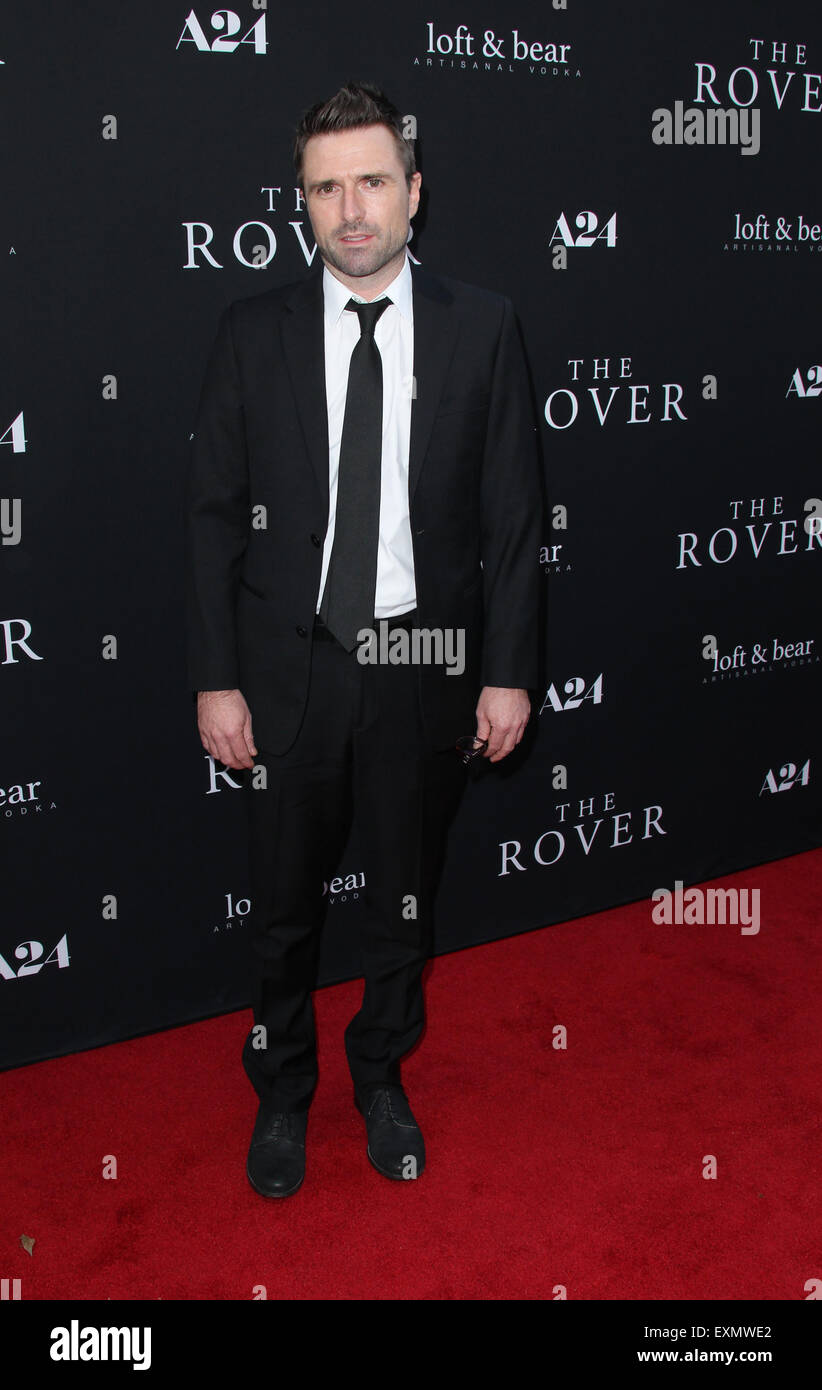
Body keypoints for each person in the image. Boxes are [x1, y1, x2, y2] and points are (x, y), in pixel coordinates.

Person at [186, 81, 543, 1198]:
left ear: (414, 192)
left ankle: (380, 1072)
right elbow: (211, 519)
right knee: (284, 913)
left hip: (420, 665)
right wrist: (216, 680)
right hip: (289, 668)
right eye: (328, 187)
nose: (352, 209)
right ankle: (282, 1089)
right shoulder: (254, 333)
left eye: (372, 182)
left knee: (403, 899)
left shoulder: (483, 327)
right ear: (303, 202)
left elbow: (515, 518)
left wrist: (510, 674)